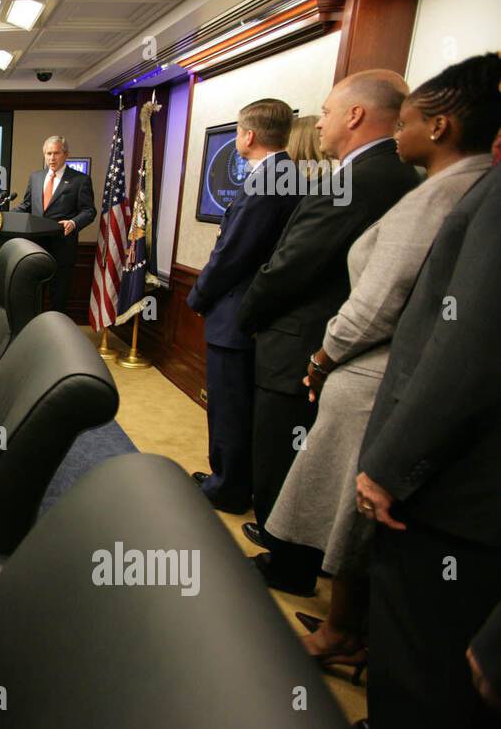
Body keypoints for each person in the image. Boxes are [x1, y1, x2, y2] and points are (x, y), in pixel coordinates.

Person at [267, 55, 497, 685]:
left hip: (375, 382)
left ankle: (343, 634)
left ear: (442, 127)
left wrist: (323, 354)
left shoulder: (450, 191)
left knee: (357, 521)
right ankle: (347, 629)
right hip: (380, 380)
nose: (400, 130)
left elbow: (381, 299)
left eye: (412, 120)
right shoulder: (457, 185)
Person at [238, 70, 421, 596]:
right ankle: (295, 548)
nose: (319, 124)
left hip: (303, 344)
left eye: (328, 111)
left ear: (357, 115)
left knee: (284, 452)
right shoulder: (402, 176)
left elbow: (289, 267)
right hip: (344, 349)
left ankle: (287, 560)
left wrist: (247, 315)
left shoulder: (354, 182)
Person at [186, 99, 296, 514]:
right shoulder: (285, 176)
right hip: (252, 313)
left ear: (248, 135)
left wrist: (197, 297)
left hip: (237, 315)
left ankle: (228, 488)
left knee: (230, 406)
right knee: (234, 404)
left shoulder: (269, 181)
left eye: (237, 132)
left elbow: (233, 253)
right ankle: (227, 477)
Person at [23, 135, 96, 316]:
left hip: (62, 248)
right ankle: (34, 332)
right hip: (37, 246)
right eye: (48, 154)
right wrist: (2, 215)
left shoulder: (80, 180)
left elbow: (89, 211)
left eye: (56, 153)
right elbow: (26, 206)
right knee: (35, 293)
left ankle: (56, 336)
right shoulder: (36, 177)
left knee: (59, 297)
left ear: (66, 155)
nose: (52, 158)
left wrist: (73, 223)